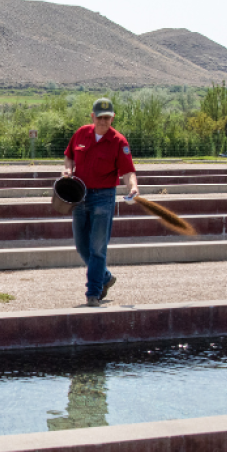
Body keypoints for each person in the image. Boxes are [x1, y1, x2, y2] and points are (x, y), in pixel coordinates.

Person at [62, 98, 139, 307]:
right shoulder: (81, 133)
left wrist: (132, 186)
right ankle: (105, 277)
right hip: (80, 194)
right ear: (92, 117)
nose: (103, 122)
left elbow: (128, 171)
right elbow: (69, 156)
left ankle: (93, 293)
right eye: (100, 117)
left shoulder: (119, 142)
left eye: (107, 118)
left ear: (112, 118)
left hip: (104, 196)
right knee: (81, 246)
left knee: (97, 248)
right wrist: (67, 170)